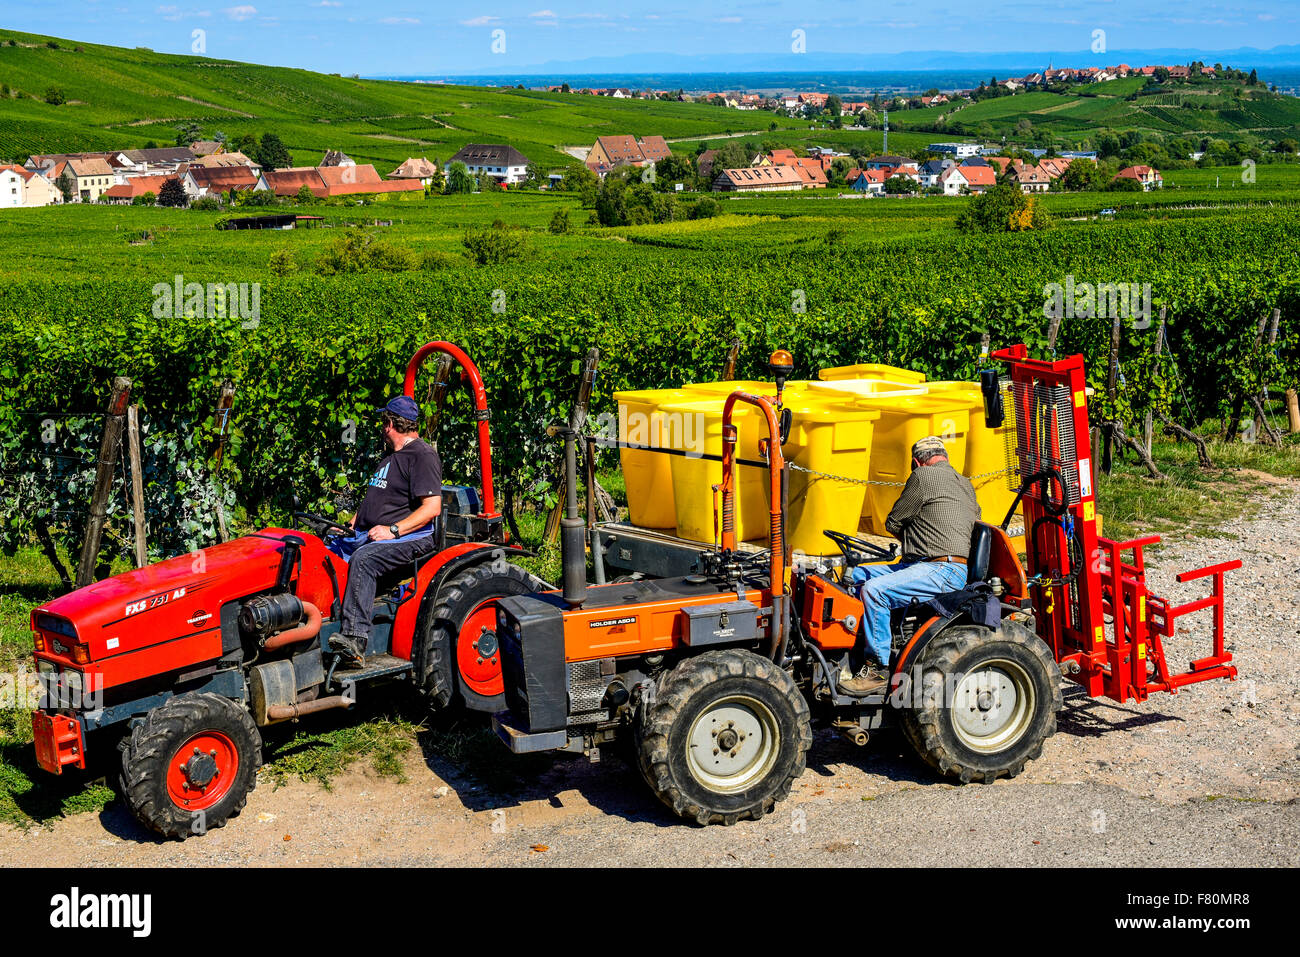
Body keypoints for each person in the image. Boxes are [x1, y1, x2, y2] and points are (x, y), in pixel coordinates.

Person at [838, 435, 980, 695]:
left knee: (874, 590)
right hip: (942, 566)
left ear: (916, 462)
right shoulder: (966, 483)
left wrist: (915, 538)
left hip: (941, 570)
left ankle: (877, 669)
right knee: (855, 576)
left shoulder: (922, 477)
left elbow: (892, 522)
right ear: (945, 457)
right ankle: (855, 650)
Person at [326, 396, 442, 666]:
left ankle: (355, 640)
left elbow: (432, 507)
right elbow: (379, 495)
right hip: (371, 532)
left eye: (383, 421)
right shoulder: (393, 455)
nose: (382, 427)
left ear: (389, 424)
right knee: (322, 551)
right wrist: (352, 524)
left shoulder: (422, 456)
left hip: (413, 537)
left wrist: (393, 530)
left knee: (364, 560)